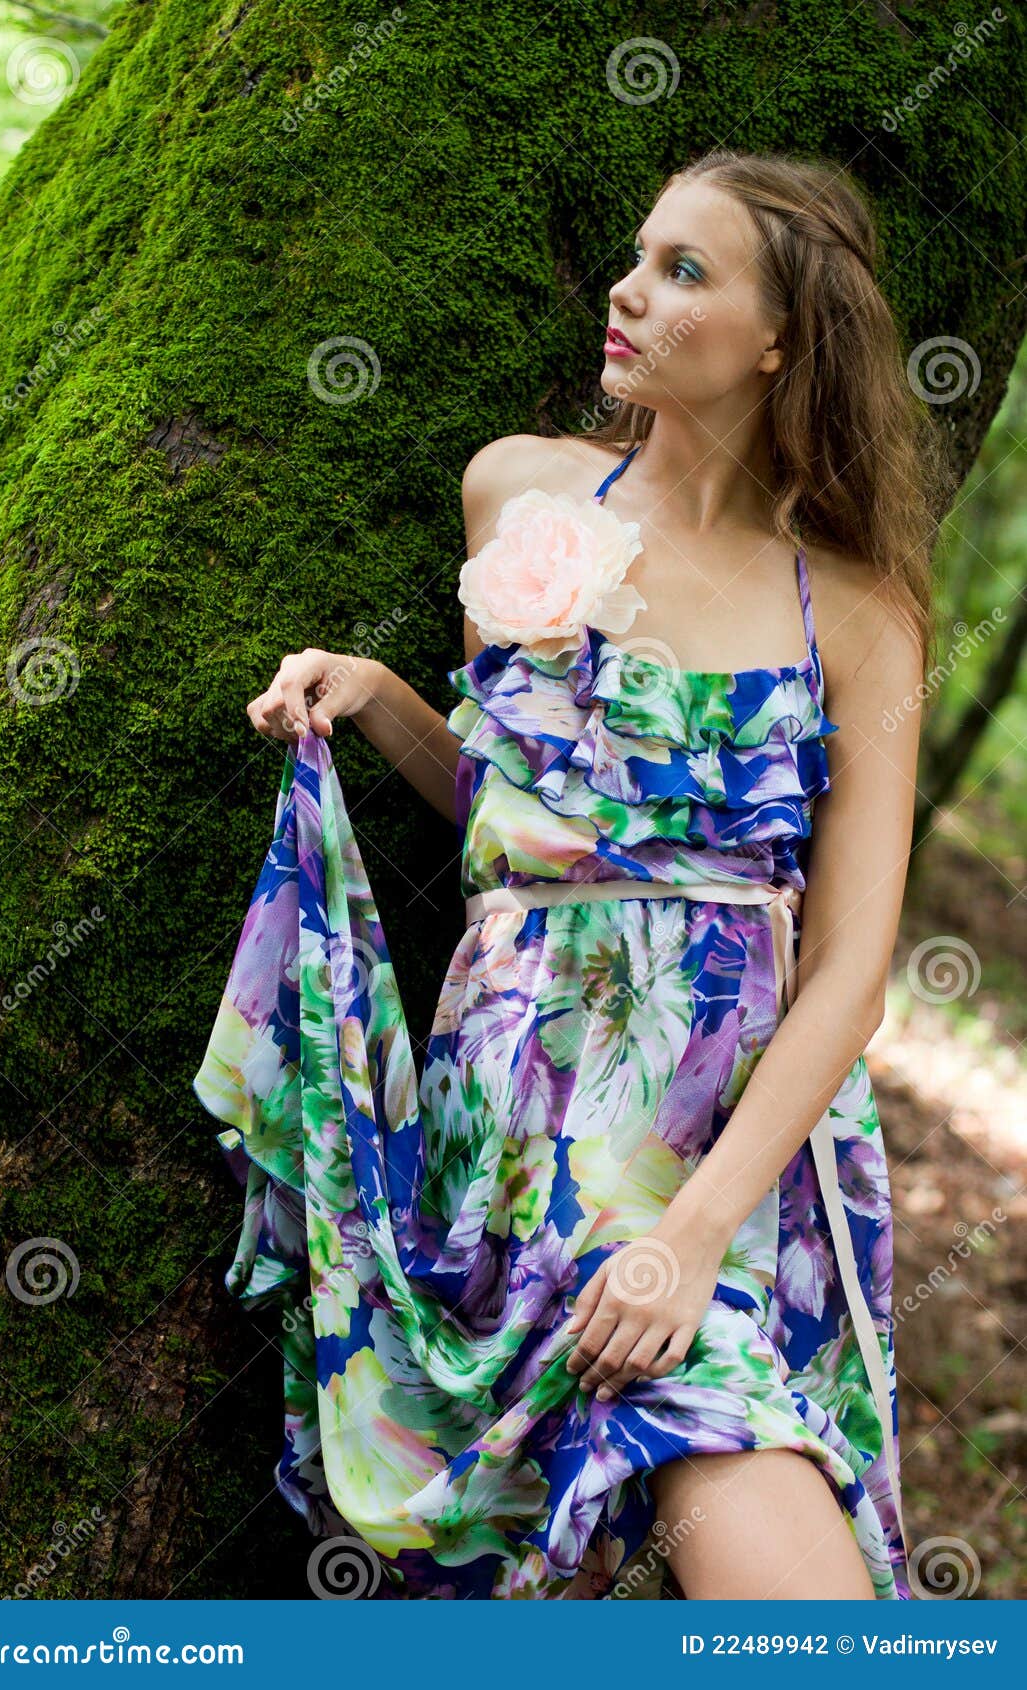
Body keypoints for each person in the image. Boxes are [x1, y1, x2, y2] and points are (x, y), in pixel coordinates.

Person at [193, 146, 950, 1601]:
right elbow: (521, 821)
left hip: (731, 1159)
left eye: (685, 272)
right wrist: (375, 695)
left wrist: (691, 1232)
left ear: (783, 339)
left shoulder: (858, 615)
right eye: (638, 254)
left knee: (774, 1533)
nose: (628, 289)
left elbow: (853, 971)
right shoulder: (521, 496)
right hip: (534, 1121)